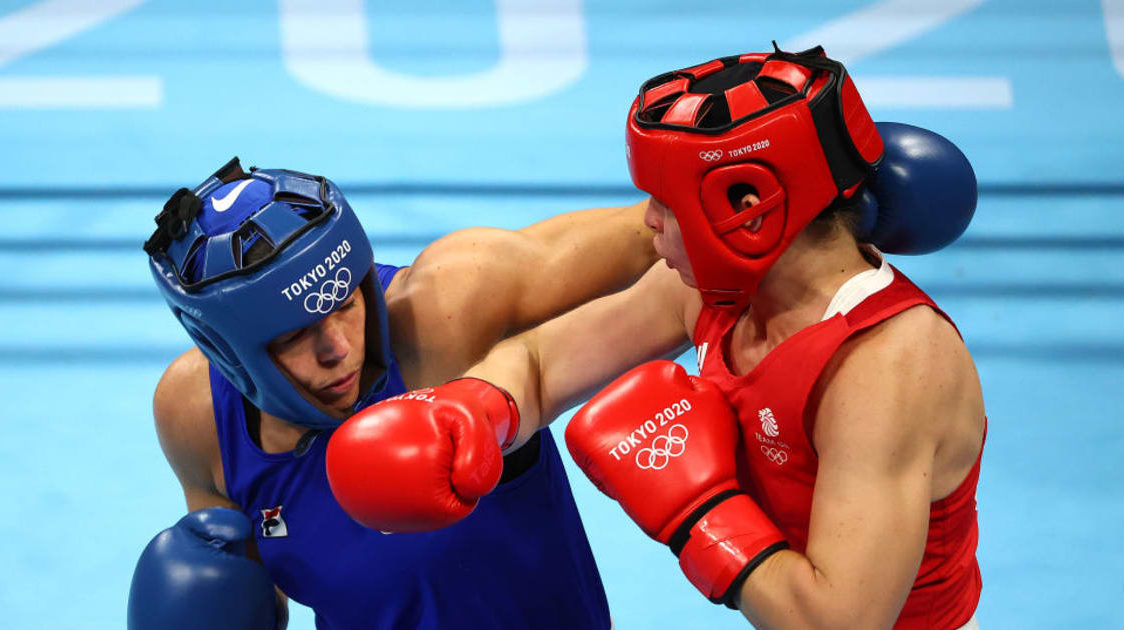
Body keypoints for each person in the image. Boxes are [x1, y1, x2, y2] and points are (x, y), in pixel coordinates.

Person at [326, 46, 984, 629]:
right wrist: (475, 409)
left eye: (668, 203)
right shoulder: (717, 288)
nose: (649, 223)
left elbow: (839, 622)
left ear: (747, 208)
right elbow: (542, 361)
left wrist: (701, 511)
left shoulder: (886, 366)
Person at [127, 157, 660, 630]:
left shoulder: (449, 308)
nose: (338, 348)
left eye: (345, 303)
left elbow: (665, 232)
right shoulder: (195, 413)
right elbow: (258, 595)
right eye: (294, 336)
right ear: (227, 351)